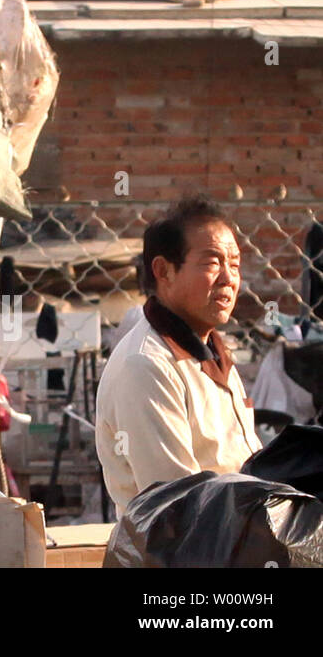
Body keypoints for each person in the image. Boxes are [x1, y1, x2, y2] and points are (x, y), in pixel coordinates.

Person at [95, 195, 260, 515]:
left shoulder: (212, 351)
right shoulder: (145, 365)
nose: (229, 278)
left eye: (235, 264)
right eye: (213, 263)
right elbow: (180, 507)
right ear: (164, 270)